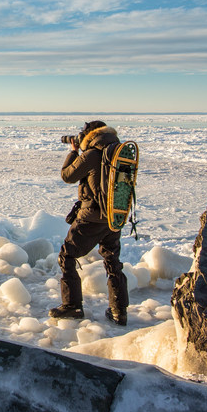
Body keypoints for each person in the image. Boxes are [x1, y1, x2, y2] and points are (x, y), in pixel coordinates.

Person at [48, 120, 129, 325]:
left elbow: (67, 176)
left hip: (91, 217)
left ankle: (72, 306)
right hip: (113, 216)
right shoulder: (117, 153)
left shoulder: (93, 154)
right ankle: (119, 311)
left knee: (67, 255)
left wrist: (74, 152)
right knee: (112, 262)